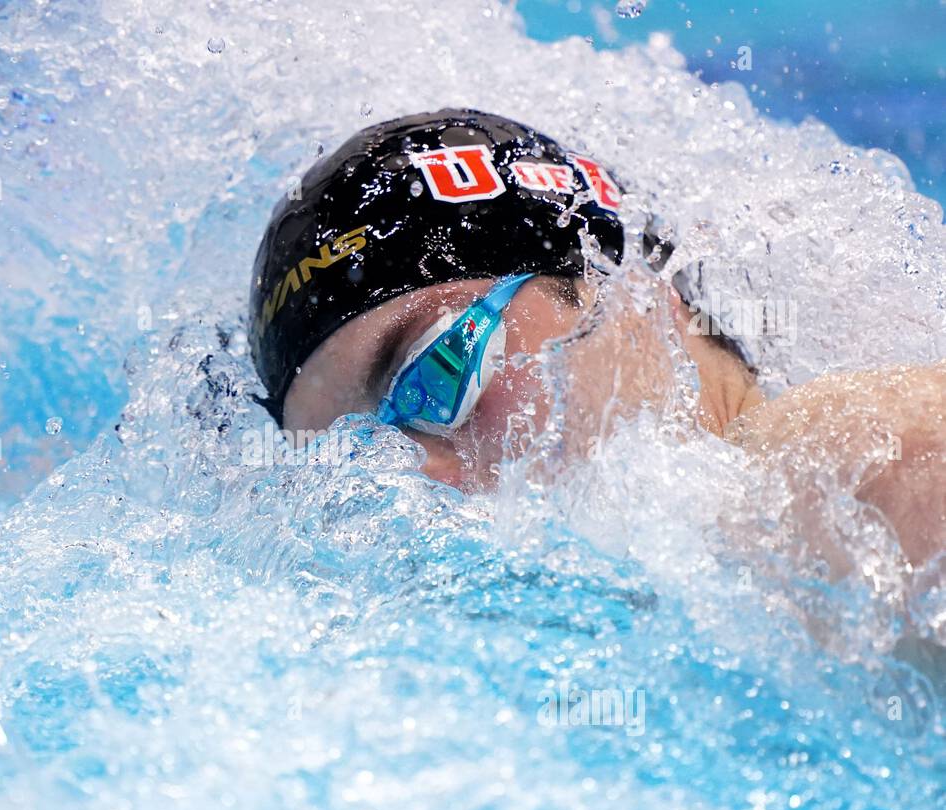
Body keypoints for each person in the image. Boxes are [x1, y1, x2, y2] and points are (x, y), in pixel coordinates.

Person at [247, 109, 945, 571]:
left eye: (439, 368)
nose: (421, 487)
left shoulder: (844, 459)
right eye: (362, 463)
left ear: (631, 287)